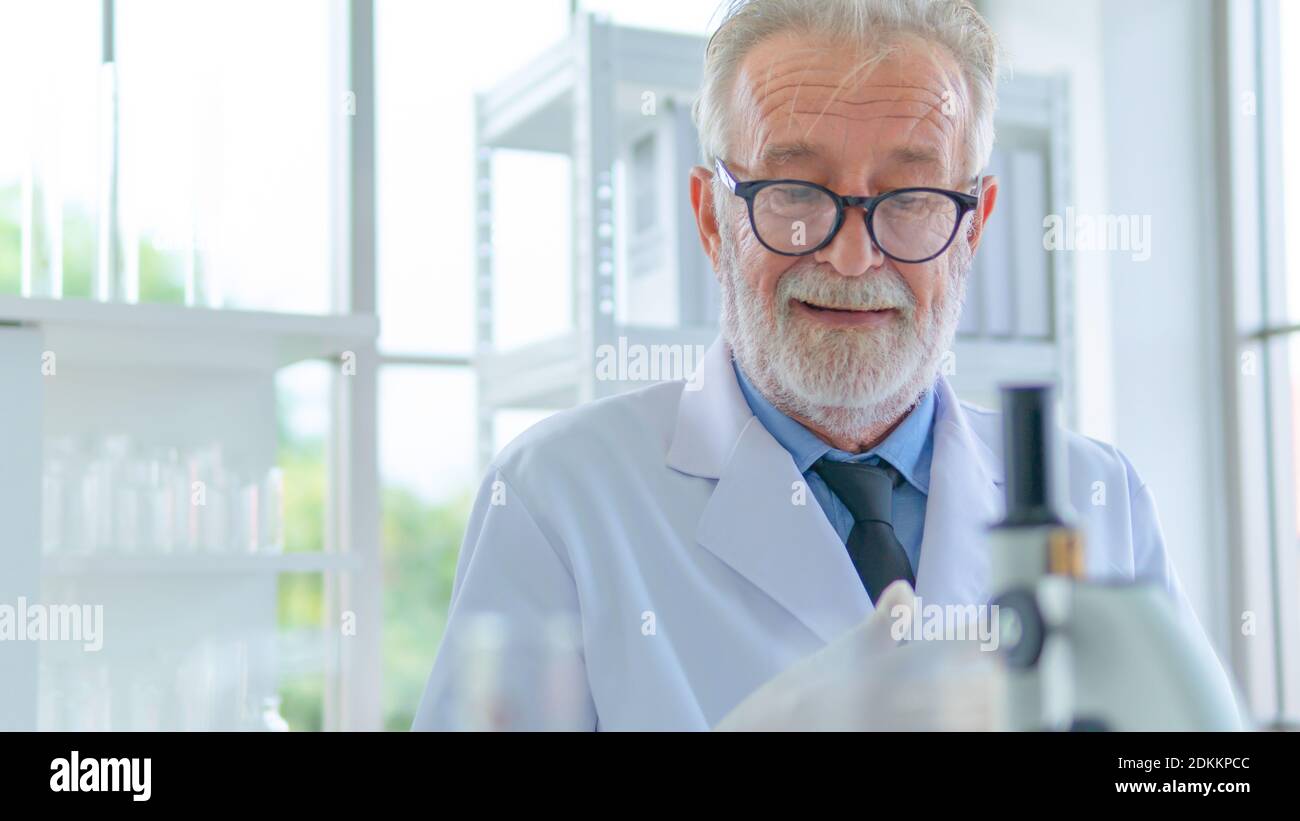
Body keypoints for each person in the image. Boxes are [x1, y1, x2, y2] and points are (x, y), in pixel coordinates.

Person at [412, 0, 1222, 731]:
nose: (850, 253)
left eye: (909, 198)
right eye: (796, 190)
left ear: (973, 230)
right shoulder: (559, 497)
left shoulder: (1101, 499)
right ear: (709, 217)